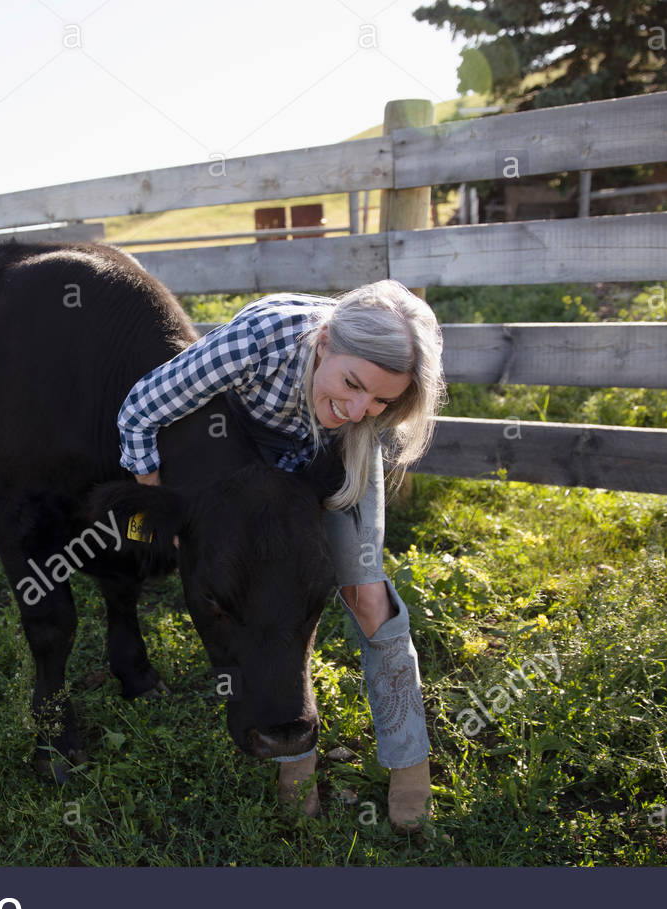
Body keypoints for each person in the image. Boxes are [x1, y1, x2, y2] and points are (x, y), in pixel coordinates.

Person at [116, 280, 447, 832]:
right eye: (353, 382)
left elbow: (357, 416)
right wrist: (158, 508)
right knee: (275, 598)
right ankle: (295, 764)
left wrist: (355, 417)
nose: (360, 406)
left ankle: (410, 765)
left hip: (336, 459)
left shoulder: (361, 416)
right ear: (322, 344)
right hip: (248, 454)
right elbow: (140, 409)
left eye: (382, 400)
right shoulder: (261, 337)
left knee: (369, 599)